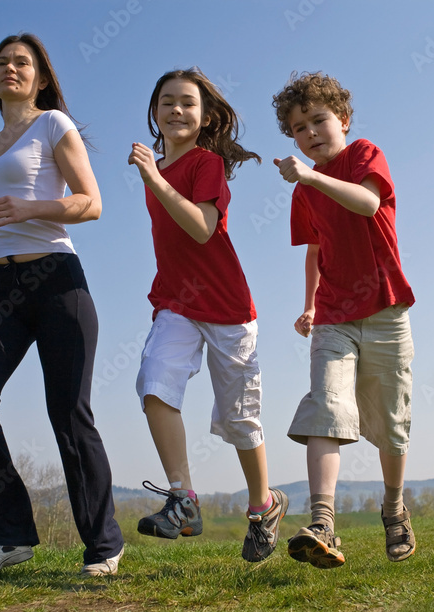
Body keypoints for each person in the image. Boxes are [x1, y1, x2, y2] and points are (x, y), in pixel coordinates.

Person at [0, 34, 124, 578]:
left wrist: (29, 208)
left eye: (21, 62)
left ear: (41, 77)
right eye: (1, 61)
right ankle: (7, 535)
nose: (10, 68)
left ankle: (103, 545)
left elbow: (91, 203)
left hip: (56, 280)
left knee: (68, 412)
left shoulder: (53, 125)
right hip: (0, 285)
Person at [127, 68, 288, 562]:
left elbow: (201, 228)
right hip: (175, 301)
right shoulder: (157, 167)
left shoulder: (205, 164)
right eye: (167, 102)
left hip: (225, 307)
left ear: (205, 117)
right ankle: (183, 499)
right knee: (154, 383)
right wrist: (154, 174)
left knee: (240, 419)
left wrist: (154, 178)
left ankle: (263, 507)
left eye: (188, 103)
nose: (177, 109)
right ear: (154, 113)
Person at [271, 72, 417, 568]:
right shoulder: (302, 195)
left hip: (385, 309)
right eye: (297, 128)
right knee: (326, 407)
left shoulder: (364, 156)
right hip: (334, 314)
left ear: (344, 120)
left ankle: (394, 509)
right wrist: (310, 302)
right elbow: (314, 249)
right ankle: (322, 522)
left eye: (318, 120)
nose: (309, 132)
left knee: (392, 424)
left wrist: (311, 176)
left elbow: (368, 202)